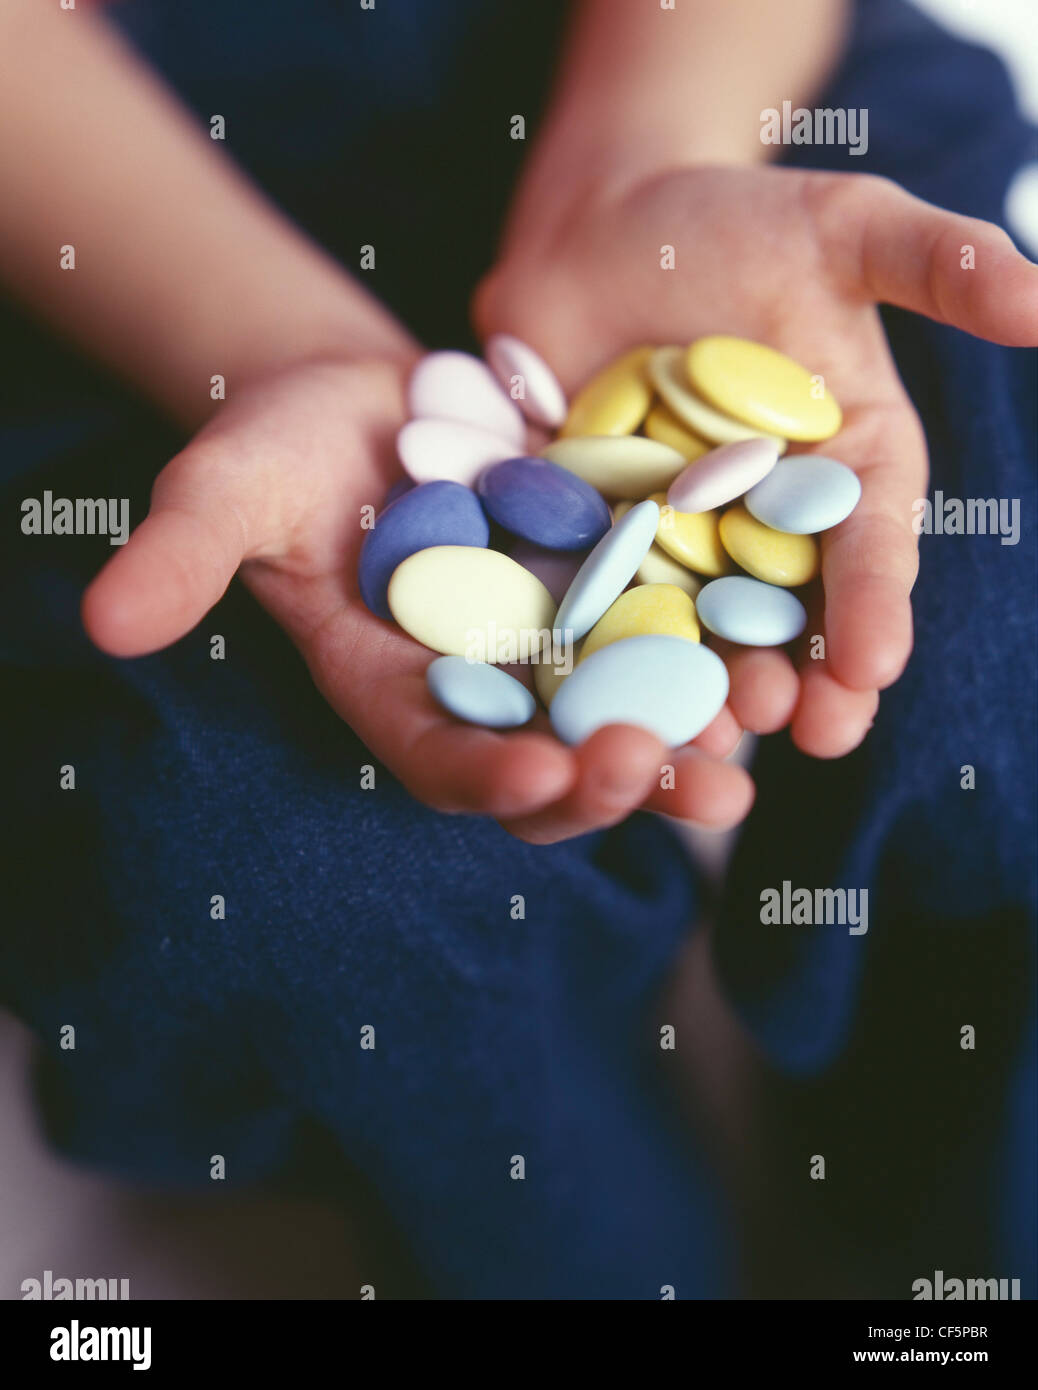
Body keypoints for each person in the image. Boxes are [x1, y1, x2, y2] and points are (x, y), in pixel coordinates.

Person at [1, 0, 1033, 1297]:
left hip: (699, 92)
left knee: (997, 620)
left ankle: (949, 1256)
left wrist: (637, 165)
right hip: (101, 223)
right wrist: (272, 343)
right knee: (288, 867)